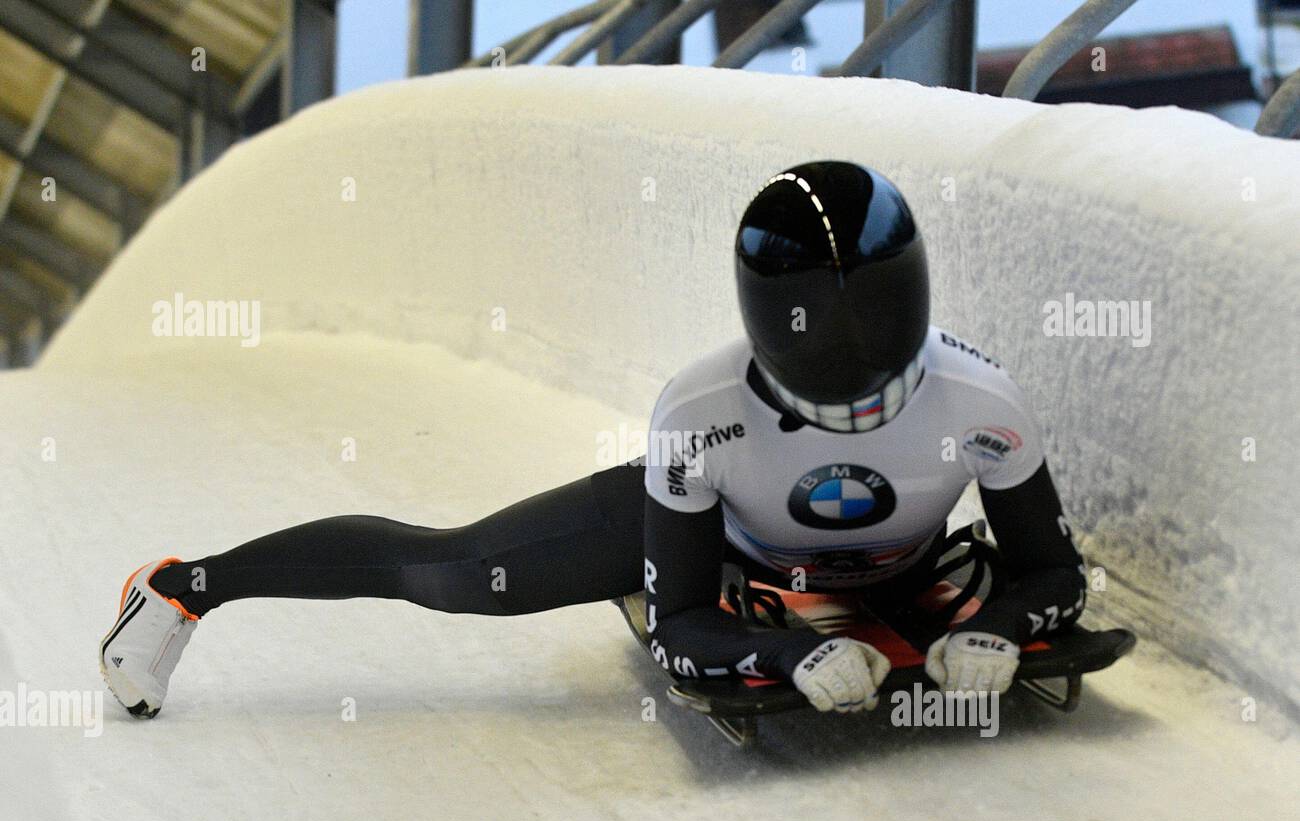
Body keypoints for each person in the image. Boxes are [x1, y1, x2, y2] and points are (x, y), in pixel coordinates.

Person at [99, 161, 1085, 720]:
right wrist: (772, 657)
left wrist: (1008, 620)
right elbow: (681, 624)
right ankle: (186, 585)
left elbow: (1054, 570)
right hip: (723, 537)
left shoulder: (982, 400)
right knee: (454, 569)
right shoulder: (699, 414)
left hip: (896, 568)